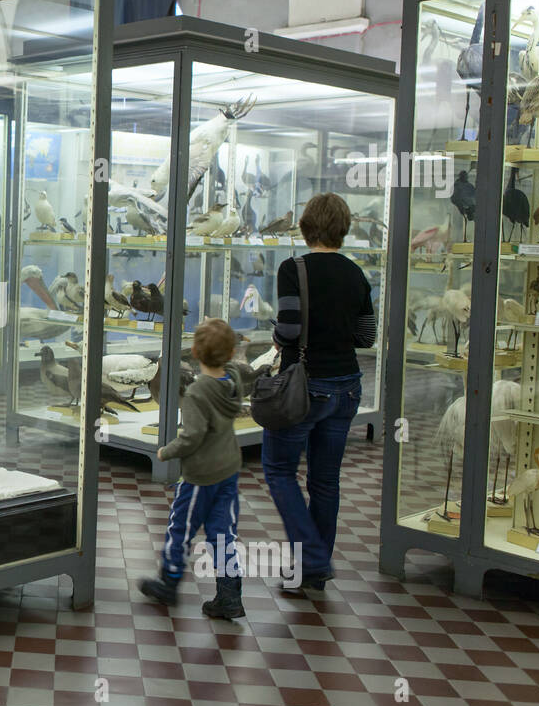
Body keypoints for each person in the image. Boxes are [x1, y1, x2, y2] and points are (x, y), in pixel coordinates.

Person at [262, 192, 376, 592]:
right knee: (326, 481)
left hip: (304, 387)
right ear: (343, 229)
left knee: (279, 471)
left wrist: (277, 336)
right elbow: (366, 336)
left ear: (306, 226)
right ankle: (313, 571)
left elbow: (290, 329)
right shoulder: (356, 274)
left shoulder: (292, 269)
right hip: (347, 387)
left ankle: (310, 557)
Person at [139, 318, 260, 620]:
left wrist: (167, 451)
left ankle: (169, 582)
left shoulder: (196, 393)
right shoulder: (232, 382)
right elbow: (228, 365)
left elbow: (191, 437)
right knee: (224, 533)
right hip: (229, 469)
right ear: (231, 353)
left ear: (193, 352)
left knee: (180, 528)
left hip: (199, 477)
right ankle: (230, 596)